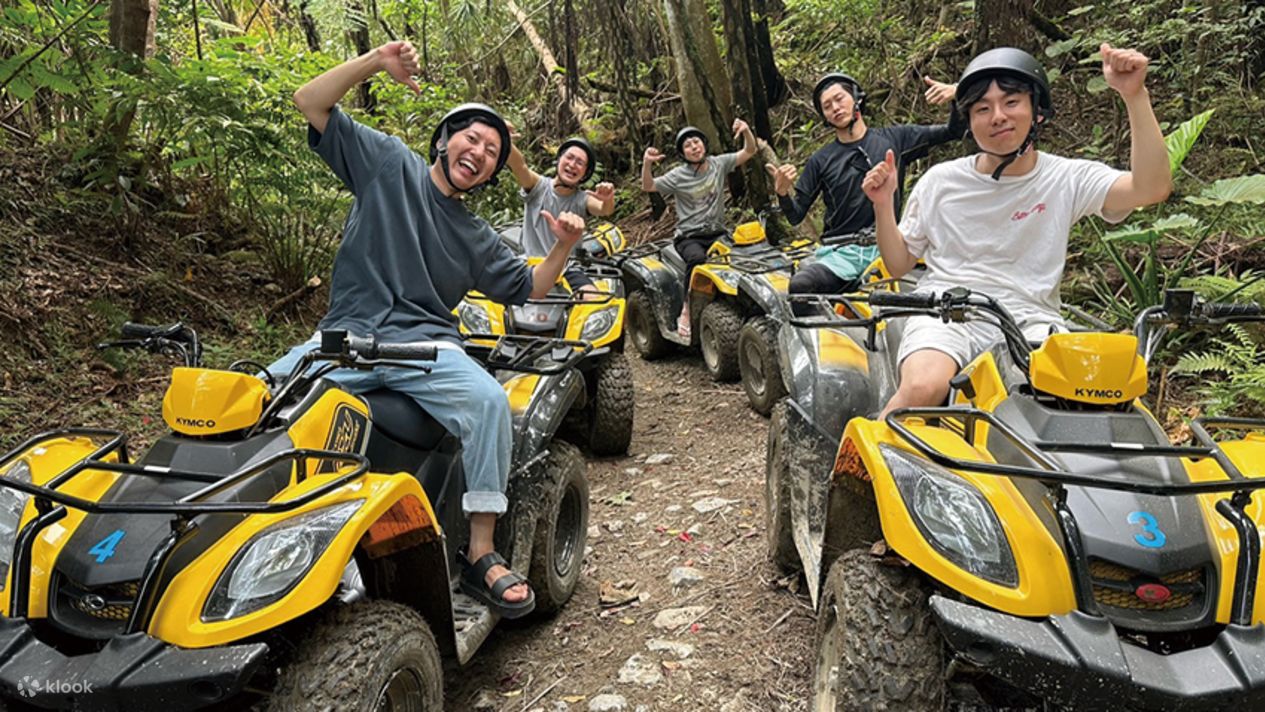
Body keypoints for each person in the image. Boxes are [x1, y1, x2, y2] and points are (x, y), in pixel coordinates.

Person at [281, 39, 588, 619]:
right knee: (255, 399)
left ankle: (481, 551)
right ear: (445, 141)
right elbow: (310, 101)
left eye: (492, 151)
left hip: (424, 349)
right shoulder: (388, 164)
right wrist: (375, 62)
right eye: (472, 138)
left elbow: (531, 286)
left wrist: (564, 246)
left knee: (489, 402)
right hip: (344, 338)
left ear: (492, 173)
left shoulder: (475, 236)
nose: (480, 152)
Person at [862, 45, 1172, 418]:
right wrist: (883, 204)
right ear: (969, 120)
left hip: (1032, 321)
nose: (998, 117)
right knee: (922, 388)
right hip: (946, 313)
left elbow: (1150, 188)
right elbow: (899, 265)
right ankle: (871, 446)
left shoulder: (1066, 177)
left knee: (1089, 407)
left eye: (1011, 102)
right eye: (982, 109)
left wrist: (1134, 95)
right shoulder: (940, 181)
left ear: (1036, 110)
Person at [765, 74, 959, 305]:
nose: (835, 108)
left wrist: (957, 94)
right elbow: (796, 215)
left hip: (890, 248)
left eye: (839, 99)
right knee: (801, 286)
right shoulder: (820, 160)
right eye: (827, 106)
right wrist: (782, 193)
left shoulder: (896, 139)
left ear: (856, 98)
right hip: (840, 253)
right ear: (824, 116)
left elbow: (954, 131)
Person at [641, 119, 759, 337]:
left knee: (741, 258)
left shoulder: (718, 164)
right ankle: (686, 310)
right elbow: (648, 185)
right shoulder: (678, 175)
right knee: (697, 259)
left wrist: (746, 131)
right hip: (689, 236)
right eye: (688, 145)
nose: (694, 147)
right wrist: (647, 163)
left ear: (704, 144)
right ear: (682, 153)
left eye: (696, 142)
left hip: (718, 232)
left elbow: (749, 151)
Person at [506, 134, 616, 299]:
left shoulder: (582, 199)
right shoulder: (538, 186)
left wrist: (608, 199)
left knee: (595, 301)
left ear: (585, 173)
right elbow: (520, 167)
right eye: (569, 157)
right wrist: (506, 140)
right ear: (559, 160)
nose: (572, 165)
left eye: (580, 163)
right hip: (530, 263)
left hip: (567, 268)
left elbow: (604, 210)